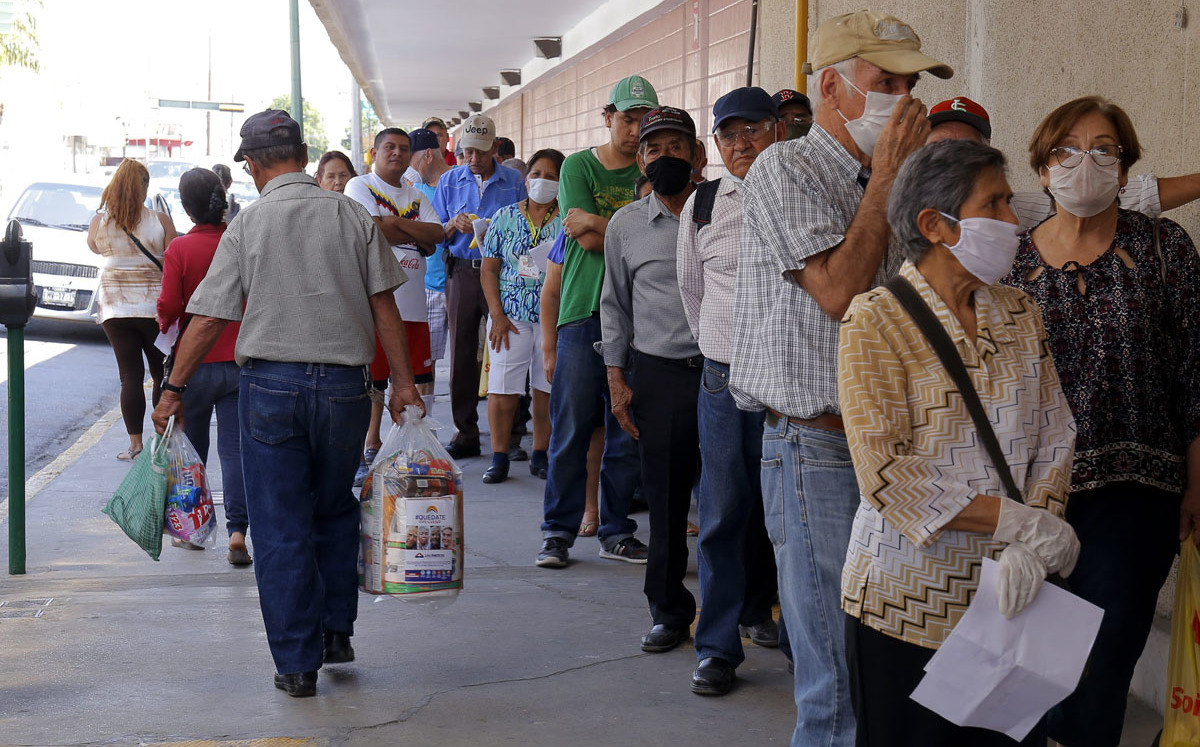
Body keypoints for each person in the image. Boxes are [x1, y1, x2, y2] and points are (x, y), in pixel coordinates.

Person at [150, 109, 423, 698]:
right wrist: (403, 383)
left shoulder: (248, 225)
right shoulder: (352, 213)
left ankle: (297, 665)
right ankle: (334, 632)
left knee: (278, 525)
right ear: (303, 154)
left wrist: (174, 389)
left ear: (251, 166)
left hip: (271, 387)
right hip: (347, 390)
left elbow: (208, 317)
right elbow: (384, 308)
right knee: (332, 507)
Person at [730, 10, 948, 746]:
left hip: (892, 452)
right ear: (832, 87)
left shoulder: (888, 179)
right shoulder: (785, 168)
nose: (904, 98)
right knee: (836, 682)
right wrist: (889, 178)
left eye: (910, 83)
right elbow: (839, 291)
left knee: (890, 669)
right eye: (885, 81)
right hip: (815, 451)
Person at [838, 137, 1078, 746]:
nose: (1012, 219)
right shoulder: (874, 319)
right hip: (905, 602)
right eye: (994, 204)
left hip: (1010, 596)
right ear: (934, 225)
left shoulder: (1021, 311)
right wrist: (1016, 524)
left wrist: (1037, 530)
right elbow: (887, 472)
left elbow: (1056, 432)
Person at [1001, 96, 1200, 746]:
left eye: (1103, 148)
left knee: (1100, 668)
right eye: (1066, 150)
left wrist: (1196, 482)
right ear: (1041, 168)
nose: (1083, 162)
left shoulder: (1165, 248)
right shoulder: (1012, 264)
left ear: (1125, 165)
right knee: (1025, 675)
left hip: (1136, 496)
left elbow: (1196, 372)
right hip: (1033, 499)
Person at [676, 86, 784, 697]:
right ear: (715, 145)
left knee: (790, 515)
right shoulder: (705, 204)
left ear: (778, 132)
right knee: (720, 515)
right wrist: (724, 349)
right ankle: (716, 648)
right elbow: (692, 289)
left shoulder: (803, 191)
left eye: (755, 130)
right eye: (730, 134)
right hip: (722, 381)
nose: (743, 143)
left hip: (788, 389)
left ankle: (800, 640)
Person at [536, 74, 659, 569]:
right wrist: (628, 226)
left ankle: (616, 530)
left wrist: (599, 222)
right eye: (627, 119)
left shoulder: (654, 168)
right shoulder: (578, 168)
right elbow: (586, 241)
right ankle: (557, 532)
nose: (635, 130)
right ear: (608, 117)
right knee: (571, 427)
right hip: (584, 314)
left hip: (642, 316)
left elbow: (657, 236)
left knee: (626, 427)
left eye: (643, 120)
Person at [601, 105, 704, 655]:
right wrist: (618, 378)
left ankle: (752, 606)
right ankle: (668, 610)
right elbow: (613, 306)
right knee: (664, 505)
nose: (666, 157)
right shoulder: (626, 226)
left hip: (725, 373)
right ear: (640, 158)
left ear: (697, 156)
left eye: (676, 147)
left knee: (737, 502)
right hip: (660, 376)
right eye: (654, 149)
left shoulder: (724, 213)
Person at [156, 168, 249, 563]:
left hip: (192, 366)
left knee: (191, 451)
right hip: (240, 359)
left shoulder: (178, 249)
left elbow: (169, 306)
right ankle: (239, 532)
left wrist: (165, 326)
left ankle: (193, 531)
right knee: (235, 452)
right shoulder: (239, 242)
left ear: (185, 207)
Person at [924, 96, 1200, 230]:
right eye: (941, 146)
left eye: (968, 147)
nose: (953, 158)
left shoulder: (1016, 214)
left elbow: (1104, 193)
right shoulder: (889, 214)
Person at [344, 128, 443, 483]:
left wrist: (395, 225)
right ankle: (364, 451)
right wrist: (415, 232)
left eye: (404, 148)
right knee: (371, 385)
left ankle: (408, 456)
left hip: (414, 307)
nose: (398, 153)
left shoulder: (416, 193)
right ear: (374, 152)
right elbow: (370, 229)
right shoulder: (359, 186)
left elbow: (438, 235)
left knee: (411, 386)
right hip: (374, 304)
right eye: (390, 147)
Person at [432, 113, 528, 459]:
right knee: (462, 353)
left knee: (509, 349)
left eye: (481, 153)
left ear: (495, 148)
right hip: (463, 272)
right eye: (467, 152)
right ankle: (465, 432)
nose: (473, 160)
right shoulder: (449, 182)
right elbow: (435, 232)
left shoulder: (514, 181)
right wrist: (451, 225)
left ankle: (512, 433)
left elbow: (524, 227)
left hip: (504, 274)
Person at [479, 148, 564, 483]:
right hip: (510, 318)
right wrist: (496, 315)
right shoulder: (504, 217)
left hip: (553, 319)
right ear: (526, 178)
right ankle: (499, 457)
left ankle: (540, 454)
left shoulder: (567, 220)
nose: (542, 181)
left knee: (546, 388)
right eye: (536, 174)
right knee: (502, 389)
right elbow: (489, 270)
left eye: (551, 176)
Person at [87, 159, 177, 461]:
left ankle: (135, 445)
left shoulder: (100, 221)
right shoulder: (160, 221)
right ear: (144, 188)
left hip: (115, 308)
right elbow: (173, 257)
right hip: (154, 308)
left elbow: (95, 248)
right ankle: (159, 442)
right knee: (160, 373)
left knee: (129, 376)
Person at [405, 128, 453, 412]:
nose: (408, 169)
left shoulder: (459, 181)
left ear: (427, 155)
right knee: (426, 364)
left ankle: (465, 431)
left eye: (411, 161)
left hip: (463, 282)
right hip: (429, 287)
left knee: (467, 363)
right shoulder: (413, 191)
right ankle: (424, 427)